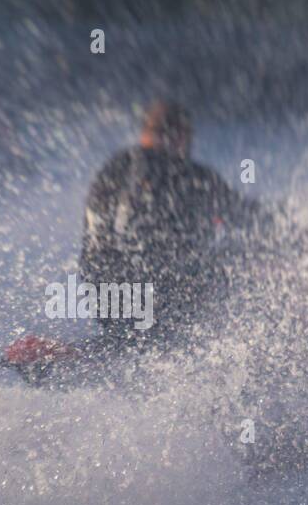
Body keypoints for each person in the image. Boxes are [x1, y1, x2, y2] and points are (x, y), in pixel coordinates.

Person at [78, 100, 268, 344]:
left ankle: (119, 342)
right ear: (178, 135)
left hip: (104, 295)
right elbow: (243, 216)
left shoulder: (115, 167)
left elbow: (97, 237)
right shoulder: (191, 175)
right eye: (187, 139)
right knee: (234, 257)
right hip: (163, 299)